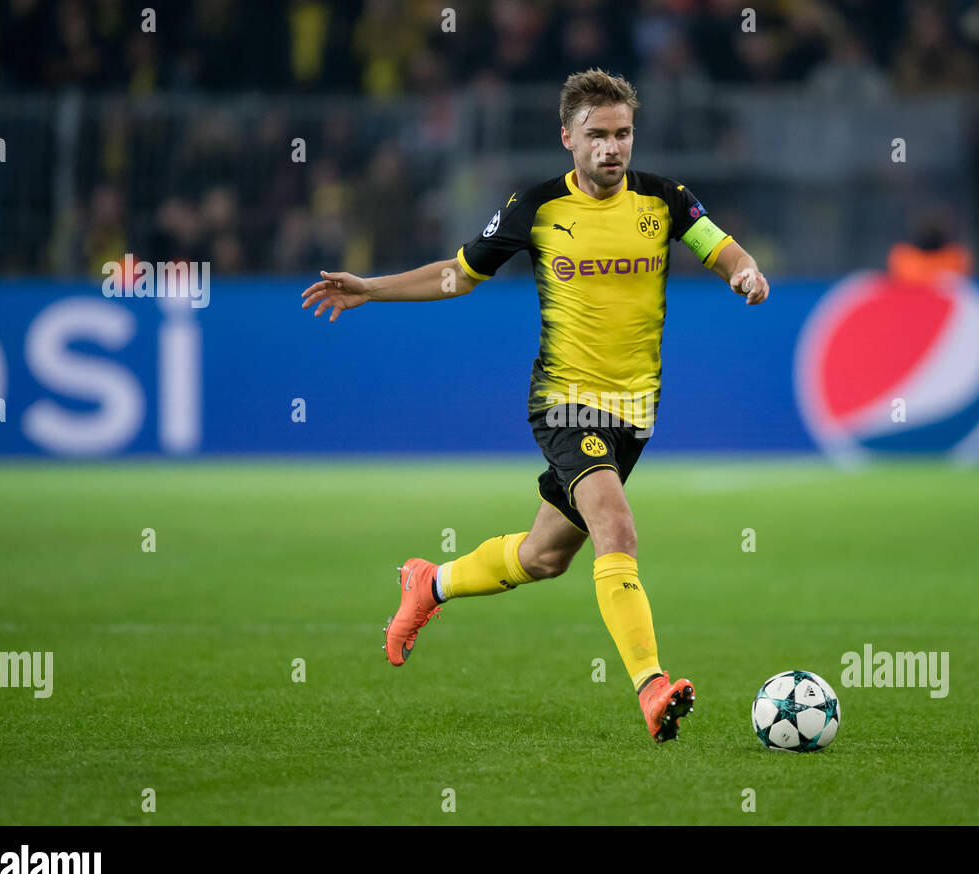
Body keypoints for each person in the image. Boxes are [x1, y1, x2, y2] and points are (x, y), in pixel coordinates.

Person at [299, 69, 769, 743]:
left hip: (634, 410)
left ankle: (429, 583)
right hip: (564, 401)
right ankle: (652, 687)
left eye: (624, 134)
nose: (613, 148)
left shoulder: (665, 200)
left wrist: (745, 274)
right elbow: (459, 273)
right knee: (617, 528)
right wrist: (370, 288)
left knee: (545, 556)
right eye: (598, 135)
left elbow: (721, 248)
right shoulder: (539, 207)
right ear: (568, 138)